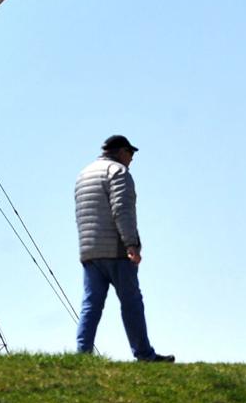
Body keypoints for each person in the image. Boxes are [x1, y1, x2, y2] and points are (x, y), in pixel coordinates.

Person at [74, 134, 174, 362]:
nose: (132, 159)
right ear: (121, 151)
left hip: (90, 251)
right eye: (130, 153)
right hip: (116, 250)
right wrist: (131, 244)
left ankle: (82, 355)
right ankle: (144, 354)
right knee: (131, 302)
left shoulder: (84, 174)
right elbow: (122, 210)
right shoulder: (118, 173)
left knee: (91, 304)